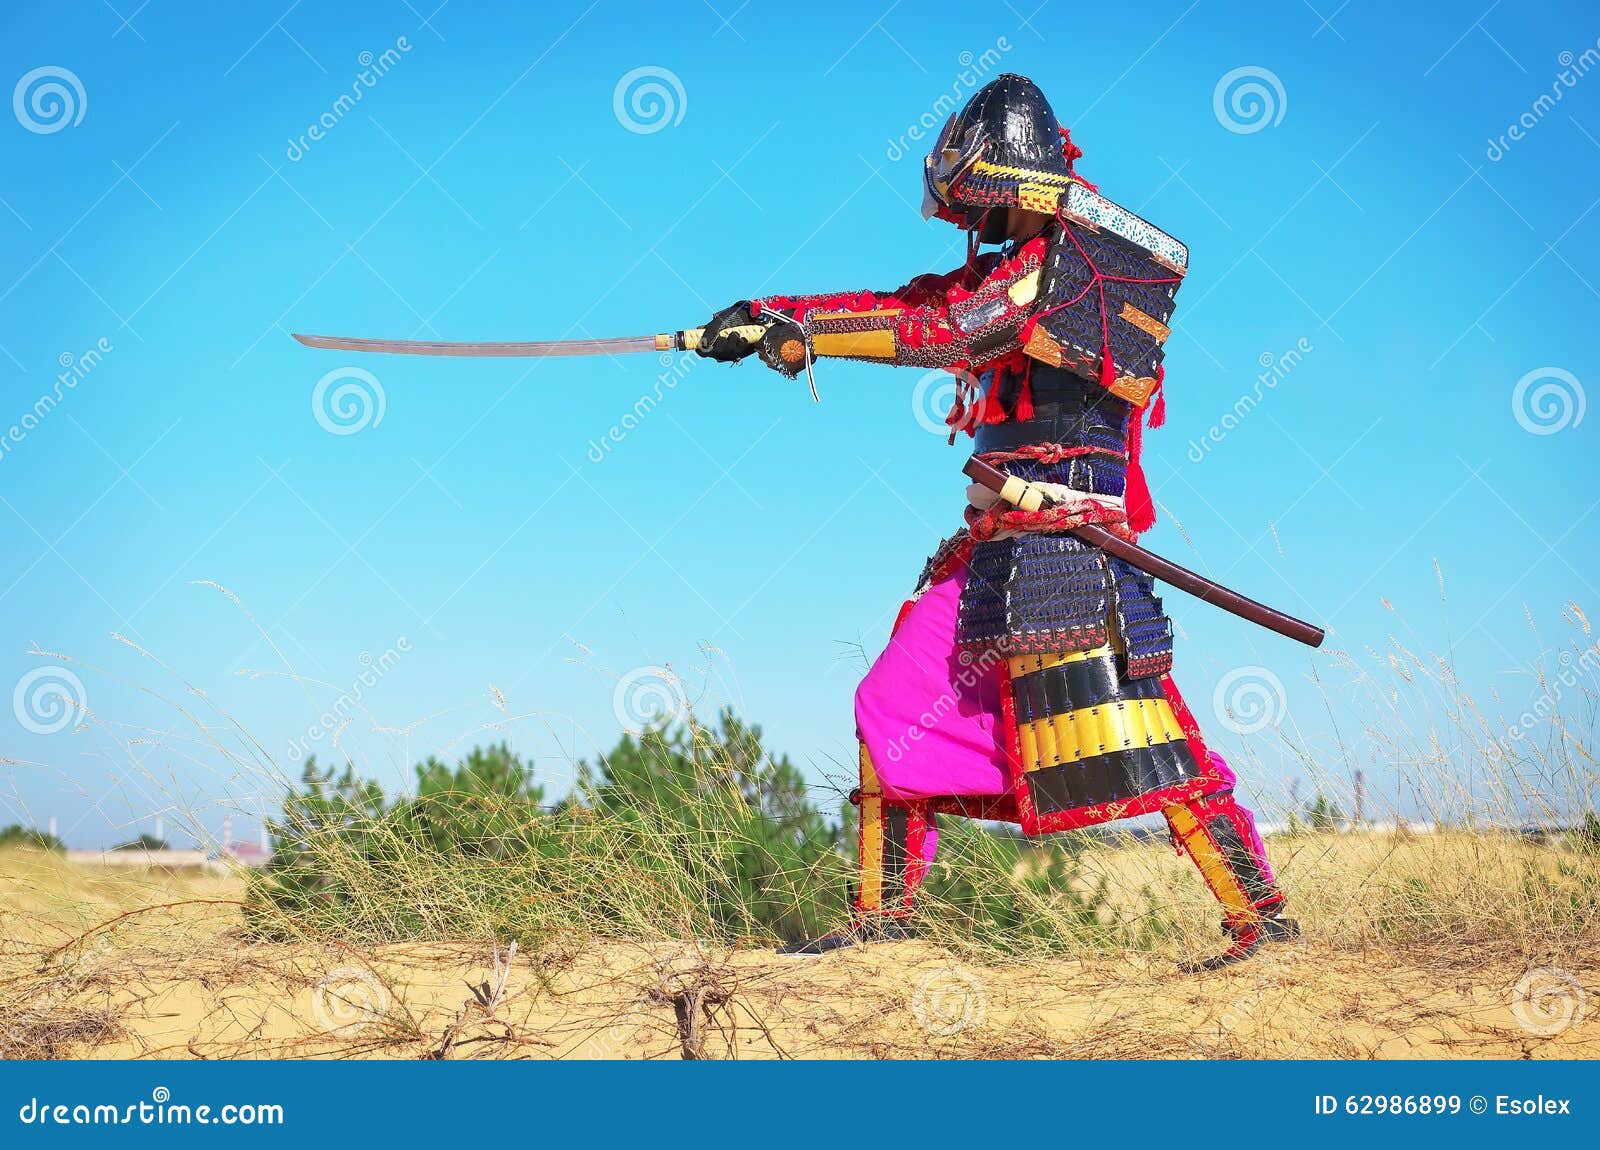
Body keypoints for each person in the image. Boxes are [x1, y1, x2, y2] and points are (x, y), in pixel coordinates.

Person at [694, 74, 1298, 971]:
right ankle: (882, 919)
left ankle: (1261, 919)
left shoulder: (1070, 269)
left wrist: (804, 334)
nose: (975, 220)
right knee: (891, 702)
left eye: (983, 199)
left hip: (1067, 547)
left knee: (1143, 737)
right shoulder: (1008, 270)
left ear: (1015, 184)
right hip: (992, 549)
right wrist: (774, 317)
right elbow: (913, 307)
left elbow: (953, 331)